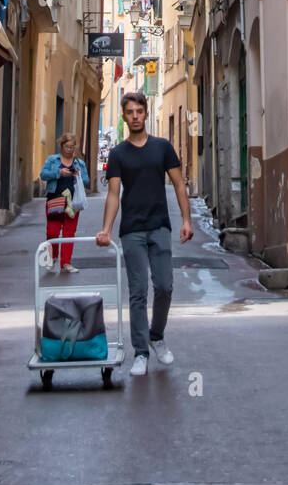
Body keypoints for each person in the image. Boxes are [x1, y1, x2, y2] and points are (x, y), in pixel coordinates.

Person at [96, 91, 193, 376]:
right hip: (132, 231)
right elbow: (113, 195)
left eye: (140, 111)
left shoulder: (163, 147)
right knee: (137, 292)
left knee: (164, 286)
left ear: (146, 113)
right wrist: (106, 230)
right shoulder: (118, 154)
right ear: (124, 116)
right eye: (130, 112)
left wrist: (187, 219)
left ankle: (156, 336)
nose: (135, 116)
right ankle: (140, 353)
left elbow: (178, 184)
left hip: (160, 226)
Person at [40, 134, 90, 273]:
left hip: (73, 202)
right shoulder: (52, 160)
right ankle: (53, 257)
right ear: (61, 146)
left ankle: (66, 262)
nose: (69, 149)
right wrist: (58, 173)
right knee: (52, 231)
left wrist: (79, 175)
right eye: (67, 146)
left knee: (69, 232)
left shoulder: (79, 163)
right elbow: (43, 175)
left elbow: (87, 181)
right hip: (54, 199)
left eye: (72, 147)